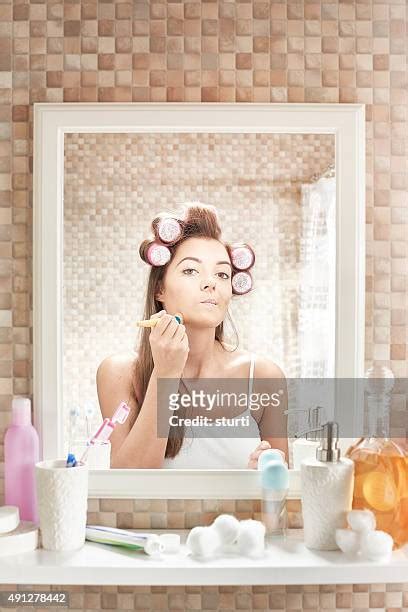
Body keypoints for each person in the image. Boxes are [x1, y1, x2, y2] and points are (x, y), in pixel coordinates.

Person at [96, 202, 288, 468]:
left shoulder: (264, 378)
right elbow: (127, 490)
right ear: (159, 289)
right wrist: (165, 373)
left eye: (222, 274)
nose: (211, 283)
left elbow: (281, 499)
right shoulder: (119, 373)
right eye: (190, 270)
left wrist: (263, 476)